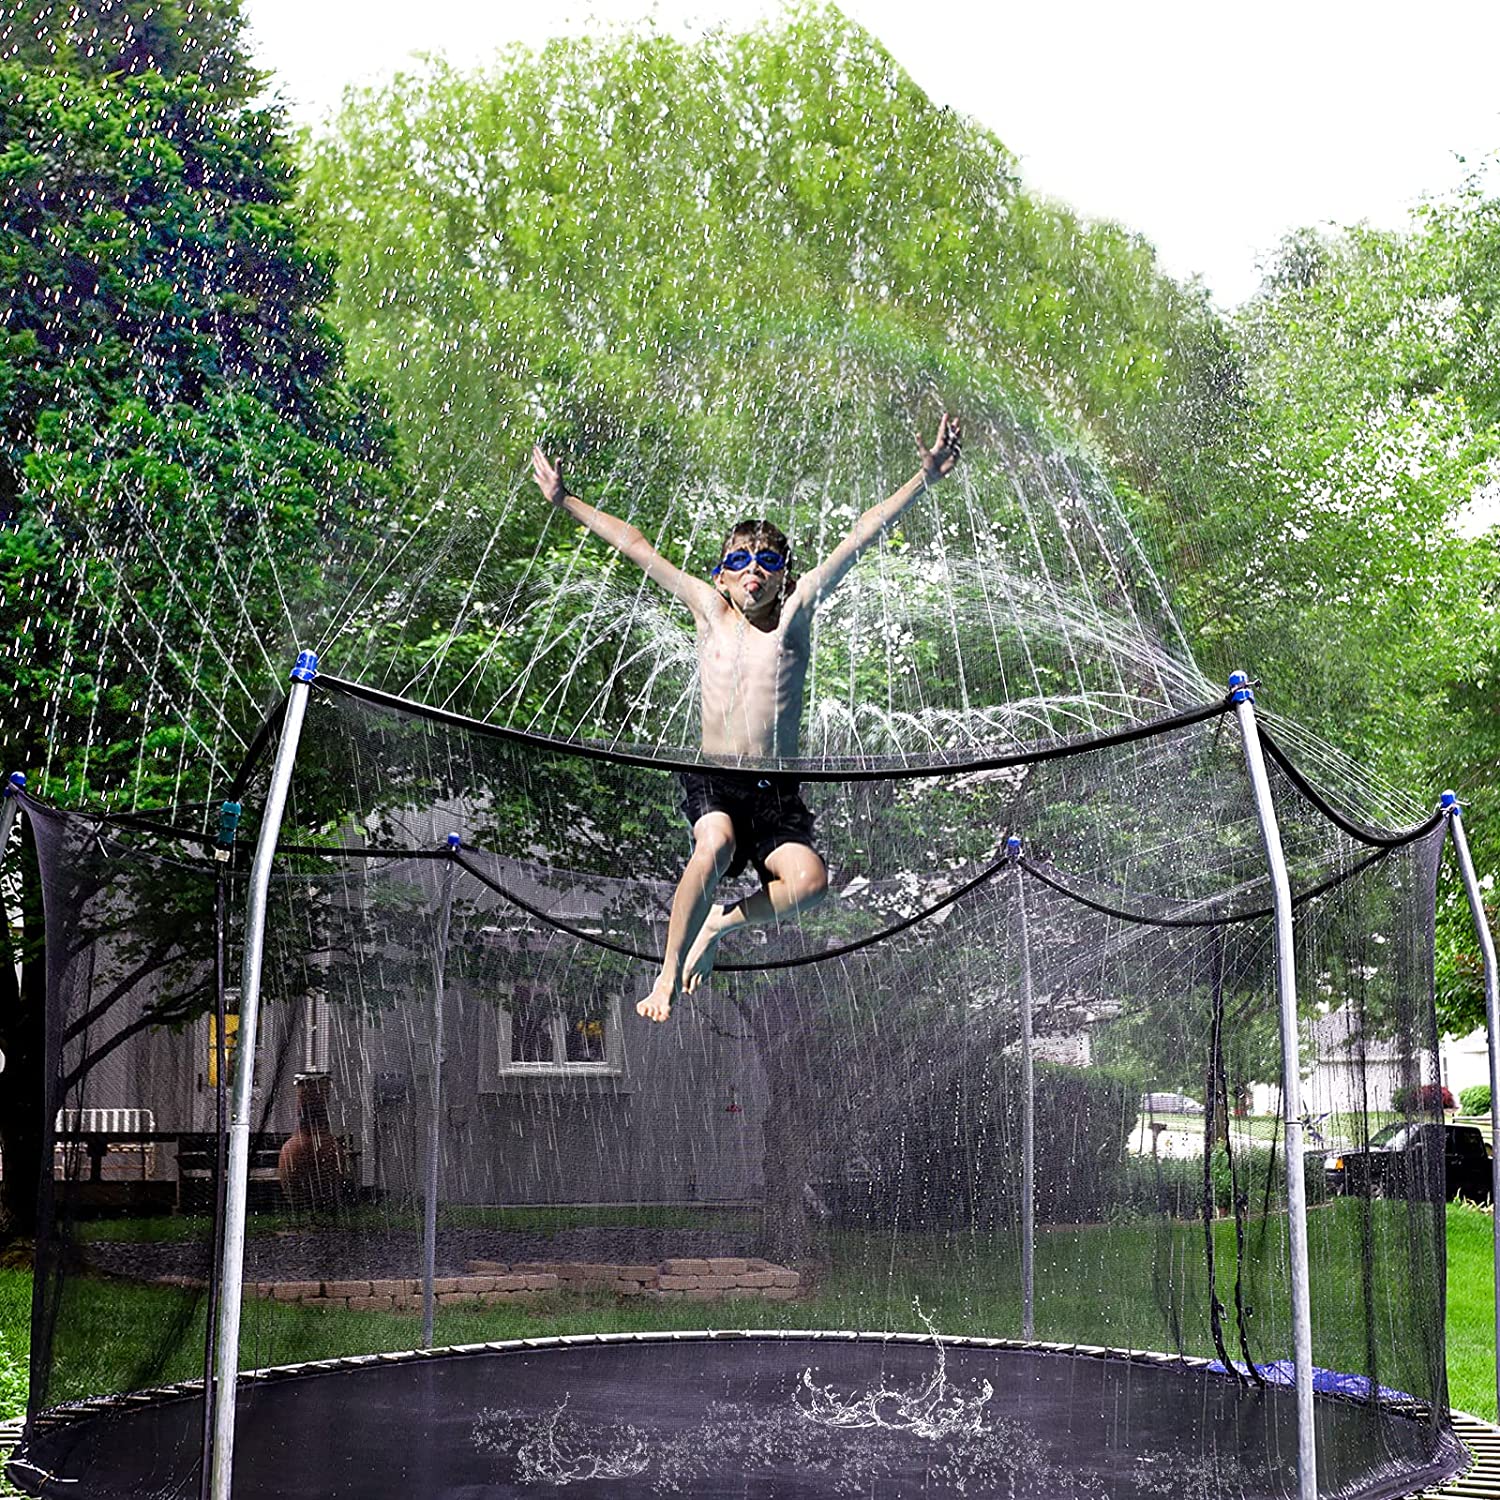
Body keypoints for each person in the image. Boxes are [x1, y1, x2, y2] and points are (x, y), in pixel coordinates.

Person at [530, 414, 962, 1022]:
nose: (753, 569)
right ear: (720, 572)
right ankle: (666, 973)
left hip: (776, 790)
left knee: (810, 882)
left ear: (785, 573)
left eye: (767, 560)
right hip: (715, 780)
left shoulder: (796, 613)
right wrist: (565, 500)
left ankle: (719, 924)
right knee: (716, 843)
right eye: (739, 560)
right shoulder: (708, 611)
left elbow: (862, 536)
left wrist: (923, 479)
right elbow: (636, 545)